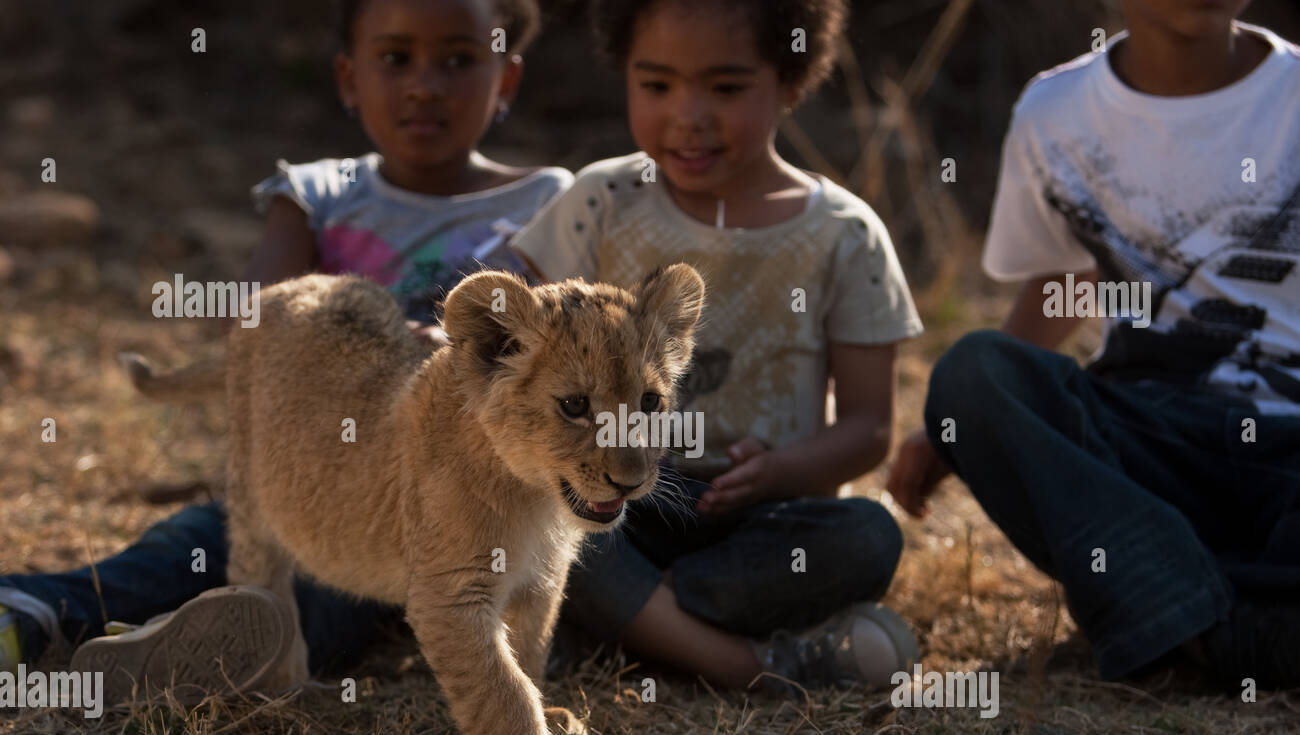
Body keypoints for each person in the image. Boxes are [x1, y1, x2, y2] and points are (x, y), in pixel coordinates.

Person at [0, 0, 570, 699]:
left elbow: (566, 349)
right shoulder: (317, 192)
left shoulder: (550, 200)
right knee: (217, 545)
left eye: (458, 60)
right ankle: (36, 614)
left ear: (506, 80)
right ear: (347, 78)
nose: (425, 85)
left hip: (482, 497)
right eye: (395, 60)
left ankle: (177, 655)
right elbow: (253, 323)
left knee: (365, 603)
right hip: (343, 474)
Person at [510, 0, 923, 694]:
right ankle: (745, 663)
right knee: (556, 525)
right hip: (616, 496)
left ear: (791, 80)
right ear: (624, 75)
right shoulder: (599, 201)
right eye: (656, 84)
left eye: (726, 88)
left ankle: (626, 622)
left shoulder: (846, 235)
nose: (688, 115)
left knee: (868, 537)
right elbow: (523, 362)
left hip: (760, 517)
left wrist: (783, 469)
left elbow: (868, 428)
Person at [886, 1, 1300, 689]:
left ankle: (1194, 620)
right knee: (972, 371)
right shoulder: (1056, 112)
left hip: (1289, 450)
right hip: (1144, 450)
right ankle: (1221, 614)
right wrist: (953, 428)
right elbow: (1067, 280)